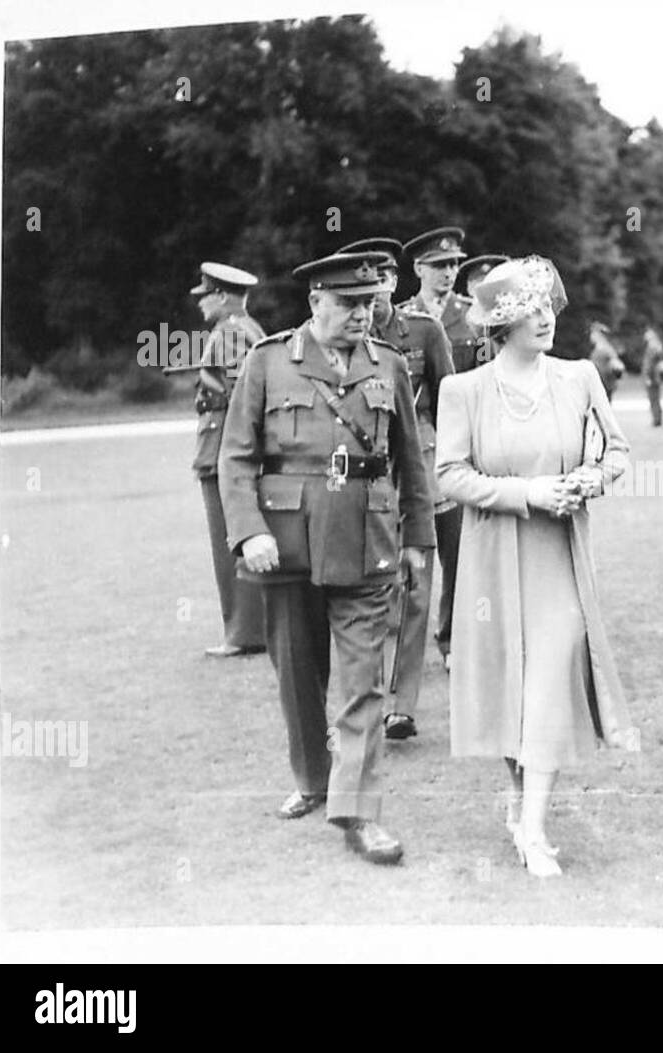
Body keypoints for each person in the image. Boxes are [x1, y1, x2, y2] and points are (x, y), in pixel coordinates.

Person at [218, 251, 436, 865]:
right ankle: (314, 778)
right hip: (284, 543)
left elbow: (410, 462)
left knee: (363, 681)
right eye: (347, 304)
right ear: (315, 303)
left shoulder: (388, 365)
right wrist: (247, 531)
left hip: (368, 540)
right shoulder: (267, 363)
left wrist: (420, 539)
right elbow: (236, 457)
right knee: (297, 672)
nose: (361, 315)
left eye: (368, 304)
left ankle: (358, 813)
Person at [435, 256, 638, 877]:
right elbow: (450, 474)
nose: (546, 317)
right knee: (508, 686)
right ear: (502, 325)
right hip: (493, 555)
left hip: (558, 555)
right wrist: (528, 494)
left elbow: (618, 453)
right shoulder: (462, 390)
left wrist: (586, 480)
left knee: (549, 676)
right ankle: (519, 796)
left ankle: (533, 827)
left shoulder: (578, 377)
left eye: (548, 305)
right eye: (530, 310)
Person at [339, 236, 455, 740]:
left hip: (421, 467)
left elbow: (450, 398)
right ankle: (365, 692)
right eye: (365, 281)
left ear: (394, 280)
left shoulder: (423, 331)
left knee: (417, 584)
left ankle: (401, 705)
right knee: (372, 589)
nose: (376, 289)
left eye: (383, 278)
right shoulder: (344, 337)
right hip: (367, 475)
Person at [167, 262, 267, 658]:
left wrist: (232, 454)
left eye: (205, 295)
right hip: (230, 450)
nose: (201, 303)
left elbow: (243, 397)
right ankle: (248, 630)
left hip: (224, 452)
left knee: (230, 541)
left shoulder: (228, 333)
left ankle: (243, 634)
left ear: (223, 296)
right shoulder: (247, 329)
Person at [400, 226, 475, 671]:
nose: (448, 273)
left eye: (453, 265)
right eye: (439, 266)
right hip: (414, 439)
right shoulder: (401, 317)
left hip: (457, 441)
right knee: (410, 549)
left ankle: (452, 639)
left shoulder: (472, 315)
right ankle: (401, 639)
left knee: (458, 550)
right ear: (419, 270)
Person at [639, 326, 663, 426]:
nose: (645, 336)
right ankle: (658, 419)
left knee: (654, 399)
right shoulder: (657, 346)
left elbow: (649, 365)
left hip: (652, 378)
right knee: (655, 399)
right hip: (655, 377)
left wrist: (648, 377)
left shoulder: (652, 347)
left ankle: (657, 420)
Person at [588, 322, 626, 399]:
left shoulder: (605, 349)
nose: (591, 336)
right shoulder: (600, 348)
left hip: (604, 383)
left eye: (593, 334)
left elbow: (616, 365)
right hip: (599, 383)